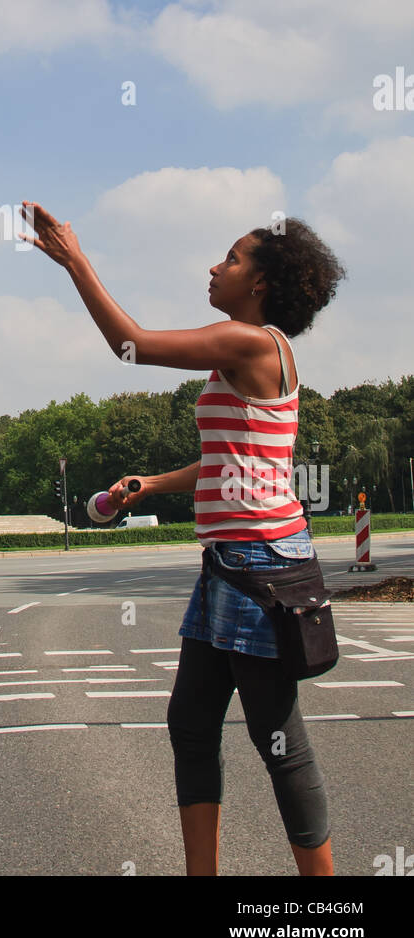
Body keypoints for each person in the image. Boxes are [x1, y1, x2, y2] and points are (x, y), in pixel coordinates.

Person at [22, 203, 345, 878]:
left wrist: (73, 260)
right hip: (232, 564)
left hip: (259, 564)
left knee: (278, 739)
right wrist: (155, 483)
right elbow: (231, 461)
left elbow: (129, 346)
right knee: (190, 723)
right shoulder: (252, 355)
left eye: (230, 258)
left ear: (258, 283)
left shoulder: (250, 344)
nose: (213, 265)